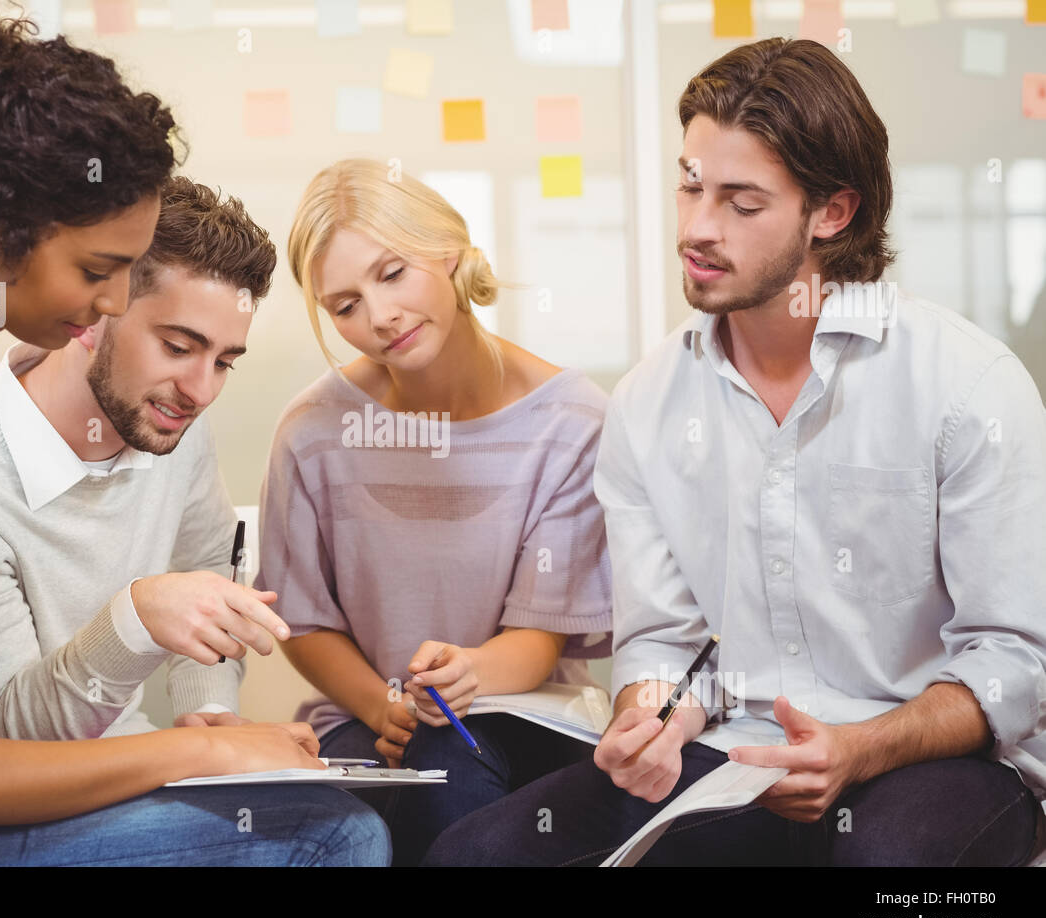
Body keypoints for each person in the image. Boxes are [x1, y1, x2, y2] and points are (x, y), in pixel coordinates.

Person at [0, 0, 387, 868]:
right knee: (330, 838)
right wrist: (202, 749)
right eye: (97, 270)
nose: (114, 304)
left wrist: (214, 730)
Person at [423, 37, 1046, 867]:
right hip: (740, 752)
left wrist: (859, 747)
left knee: (887, 871)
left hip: (939, 760)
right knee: (476, 857)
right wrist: (650, 718)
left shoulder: (966, 386)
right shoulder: (648, 403)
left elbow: (1015, 662)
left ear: (833, 212)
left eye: (741, 204)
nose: (697, 228)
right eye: (690, 185)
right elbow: (660, 640)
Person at [255, 158, 614, 866]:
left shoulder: (572, 421)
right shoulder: (312, 431)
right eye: (345, 305)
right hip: (370, 719)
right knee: (355, 808)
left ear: (449, 250)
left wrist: (468, 672)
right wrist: (380, 703)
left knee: (451, 765)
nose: (379, 317)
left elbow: (539, 639)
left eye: (392, 274)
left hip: (531, 715)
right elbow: (303, 620)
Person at [0, 175, 282, 741]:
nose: (201, 391)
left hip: (136, 768)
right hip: (12, 799)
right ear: (94, 315)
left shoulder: (175, 428)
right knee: (341, 834)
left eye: (224, 362)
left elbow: (211, 577)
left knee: (333, 809)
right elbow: (0, 733)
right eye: (178, 347)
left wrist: (210, 716)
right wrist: (136, 616)